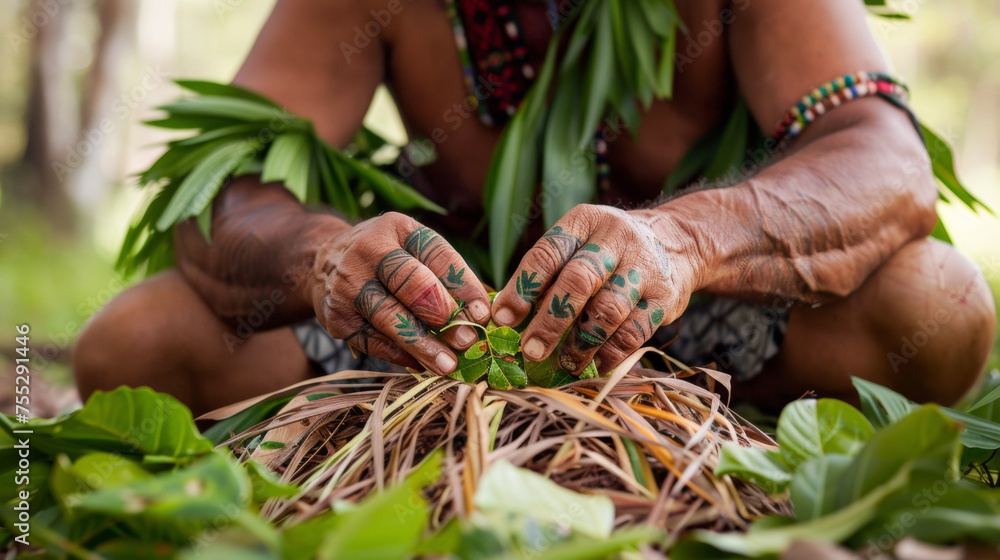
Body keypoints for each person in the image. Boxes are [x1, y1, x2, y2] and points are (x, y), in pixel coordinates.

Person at [74, 0, 996, 416]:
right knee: (133, 346)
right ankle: (433, 423)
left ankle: (698, 418)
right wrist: (327, 256)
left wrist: (684, 240)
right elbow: (223, 184)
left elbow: (882, 157)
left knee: (937, 309)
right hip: (428, 343)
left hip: (706, 321)